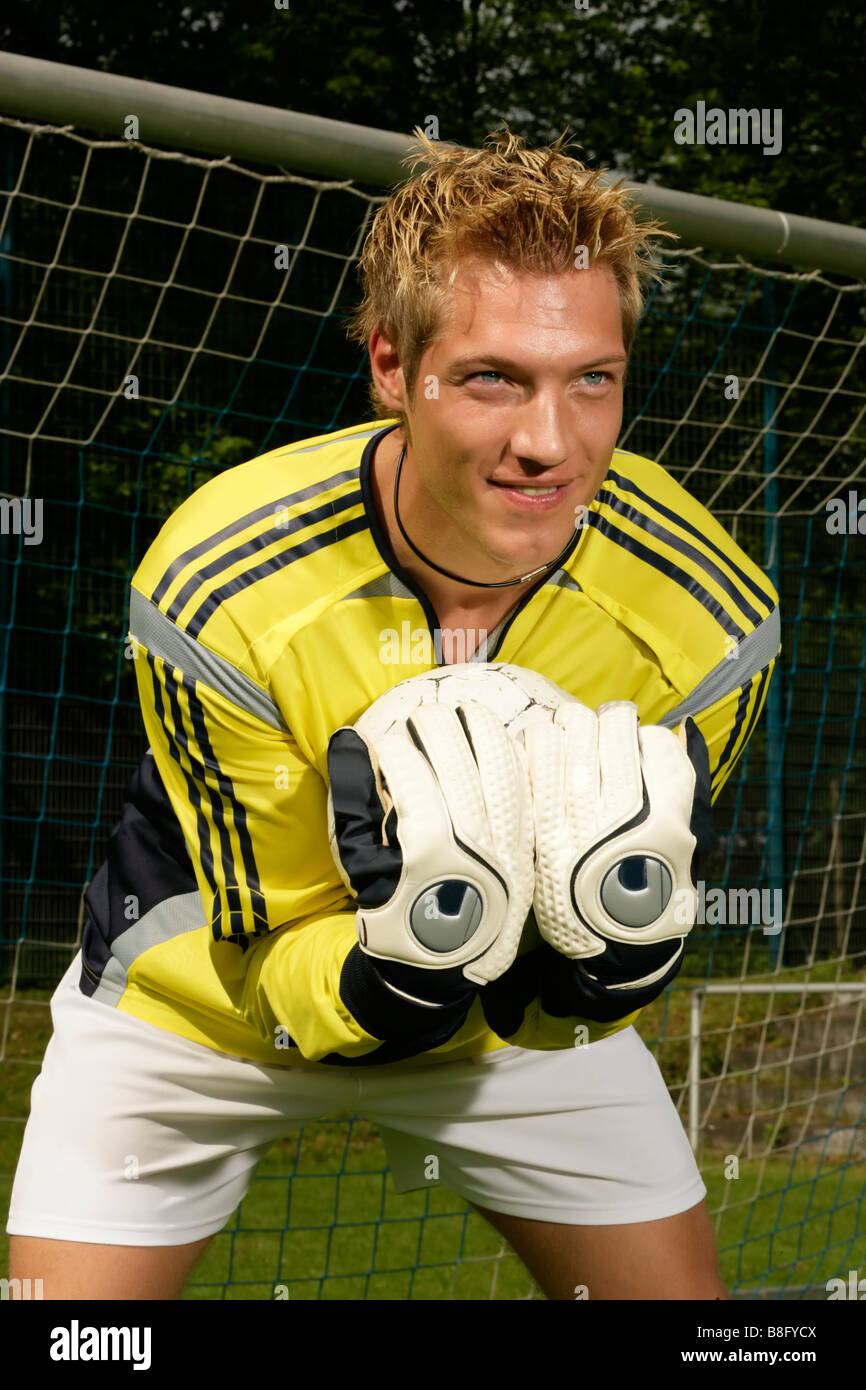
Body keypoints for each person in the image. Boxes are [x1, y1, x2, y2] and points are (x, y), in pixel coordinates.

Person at [7, 127, 780, 1301]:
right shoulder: (217, 586)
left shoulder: (710, 619)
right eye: (490, 378)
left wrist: (600, 967)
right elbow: (265, 947)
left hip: (502, 1048)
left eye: (591, 379)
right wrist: (389, 966)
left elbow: (610, 918)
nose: (548, 443)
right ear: (388, 366)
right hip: (200, 1016)